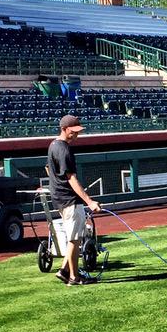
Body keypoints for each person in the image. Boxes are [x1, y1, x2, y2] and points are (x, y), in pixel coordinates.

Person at [46, 114, 101, 286]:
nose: (76, 135)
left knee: (74, 236)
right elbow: (71, 178)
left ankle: (64, 271)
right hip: (69, 199)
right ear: (64, 129)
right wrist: (89, 201)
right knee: (75, 239)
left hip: (60, 198)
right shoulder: (63, 149)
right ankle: (74, 277)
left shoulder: (53, 145)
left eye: (78, 131)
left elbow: (48, 168)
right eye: (73, 131)